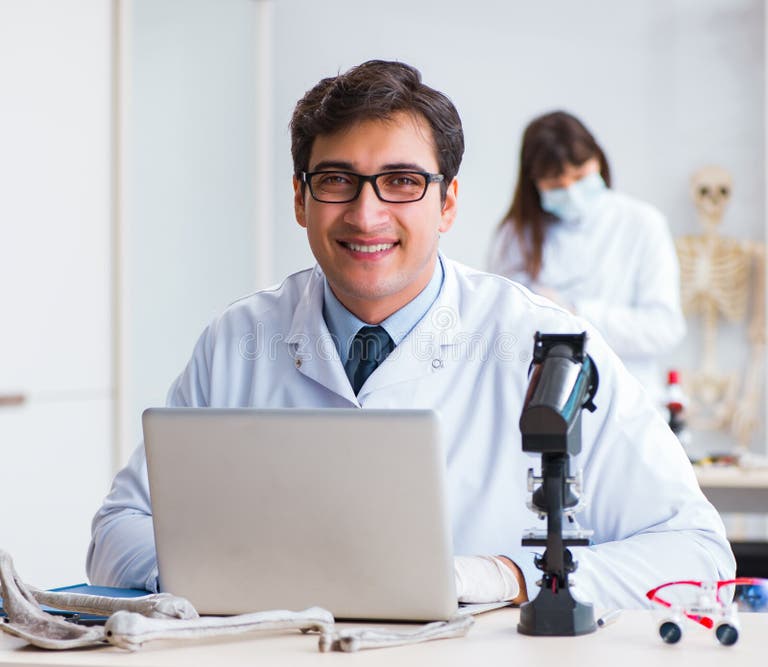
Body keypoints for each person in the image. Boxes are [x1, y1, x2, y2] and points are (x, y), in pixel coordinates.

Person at [87, 61, 733, 610]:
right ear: (299, 198)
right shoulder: (237, 340)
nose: (366, 214)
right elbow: (118, 530)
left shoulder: (548, 341)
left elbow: (699, 552)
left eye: (402, 182)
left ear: (448, 202)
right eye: (336, 180)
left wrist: (509, 577)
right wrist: (226, 578)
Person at [487, 111, 685, 402]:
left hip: (628, 396)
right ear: (534, 182)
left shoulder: (642, 223)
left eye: (579, 177)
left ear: (598, 160)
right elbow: (499, 325)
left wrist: (574, 314)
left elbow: (664, 328)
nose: (572, 192)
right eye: (556, 185)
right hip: (541, 397)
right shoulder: (517, 234)